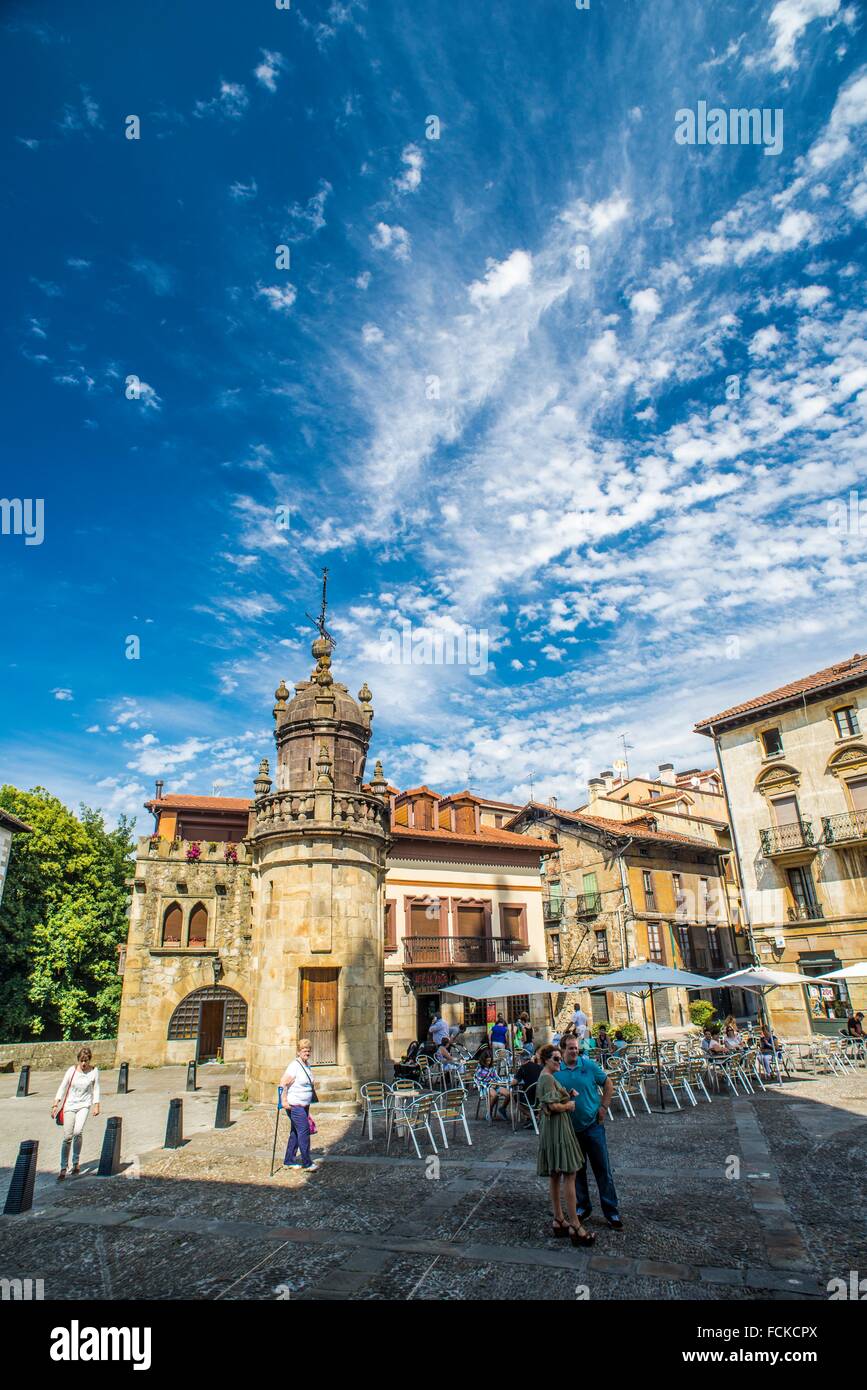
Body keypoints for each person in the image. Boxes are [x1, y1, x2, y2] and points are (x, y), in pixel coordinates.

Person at [557, 1033, 623, 1230]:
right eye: (570, 1047)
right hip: (570, 1130)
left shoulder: (589, 1065)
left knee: (603, 1169)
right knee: (577, 1171)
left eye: (576, 1047)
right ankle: (582, 1207)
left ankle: (611, 1211)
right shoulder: (556, 1071)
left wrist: (604, 1107)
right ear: (562, 1049)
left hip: (593, 1126)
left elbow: (608, 1083)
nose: (575, 1051)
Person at [535, 1044, 595, 1246]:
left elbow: (547, 1104)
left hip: (552, 1128)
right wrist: (568, 1105)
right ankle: (575, 1225)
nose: (559, 1061)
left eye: (559, 1058)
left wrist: (566, 1094)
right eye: (555, 1059)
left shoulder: (547, 1078)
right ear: (545, 1060)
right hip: (558, 1130)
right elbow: (552, 1107)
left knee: (555, 1175)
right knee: (570, 1173)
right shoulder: (547, 1078)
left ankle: (559, 1219)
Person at [51, 1046, 101, 1180]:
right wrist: (56, 1104)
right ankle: (63, 1167)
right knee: (67, 1136)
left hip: (84, 1105)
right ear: (78, 1059)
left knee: (78, 1132)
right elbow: (63, 1086)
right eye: (81, 1060)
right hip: (70, 1105)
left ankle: (76, 1162)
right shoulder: (71, 1070)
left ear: (90, 1060)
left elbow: (96, 1089)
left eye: (86, 1061)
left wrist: (96, 1105)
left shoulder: (94, 1071)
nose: (84, 1064)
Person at [280, 1039, 318, 1172]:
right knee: (304, 1132)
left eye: (308, 1051)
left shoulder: (307, 1065)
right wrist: (283, 1101)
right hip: (295, 1105)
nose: (306, 1053)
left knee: (296, 1132)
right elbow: (283, 1083)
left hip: (304, 1105)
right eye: (304, 1050)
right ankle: (307, 1163)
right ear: (298, 1052)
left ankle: (288, 1160)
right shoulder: (294, 1066)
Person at [475, 1048, 511, 1119]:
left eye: (490, 1060)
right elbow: (478, 1080)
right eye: (487, 1060)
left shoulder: (492, 1068)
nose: (488, 1062)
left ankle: (502, 1109)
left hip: (495, 1085)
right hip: (485, 1087)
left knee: (509, 1094)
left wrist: (496, 1082)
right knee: (494, 1095)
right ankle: (489, 1112)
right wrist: (490, 1083)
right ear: (483, 1060)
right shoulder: (479, 1068)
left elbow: (496, 1077)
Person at [514, 1047, 543, 1127]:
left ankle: (534, 1118)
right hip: (539, 1097)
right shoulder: (538, 1066)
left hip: (529, 1096)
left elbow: (514, 1082)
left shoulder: (522, 1068)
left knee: (516, 1097)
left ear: (521, 1060)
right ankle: (531, 1119)